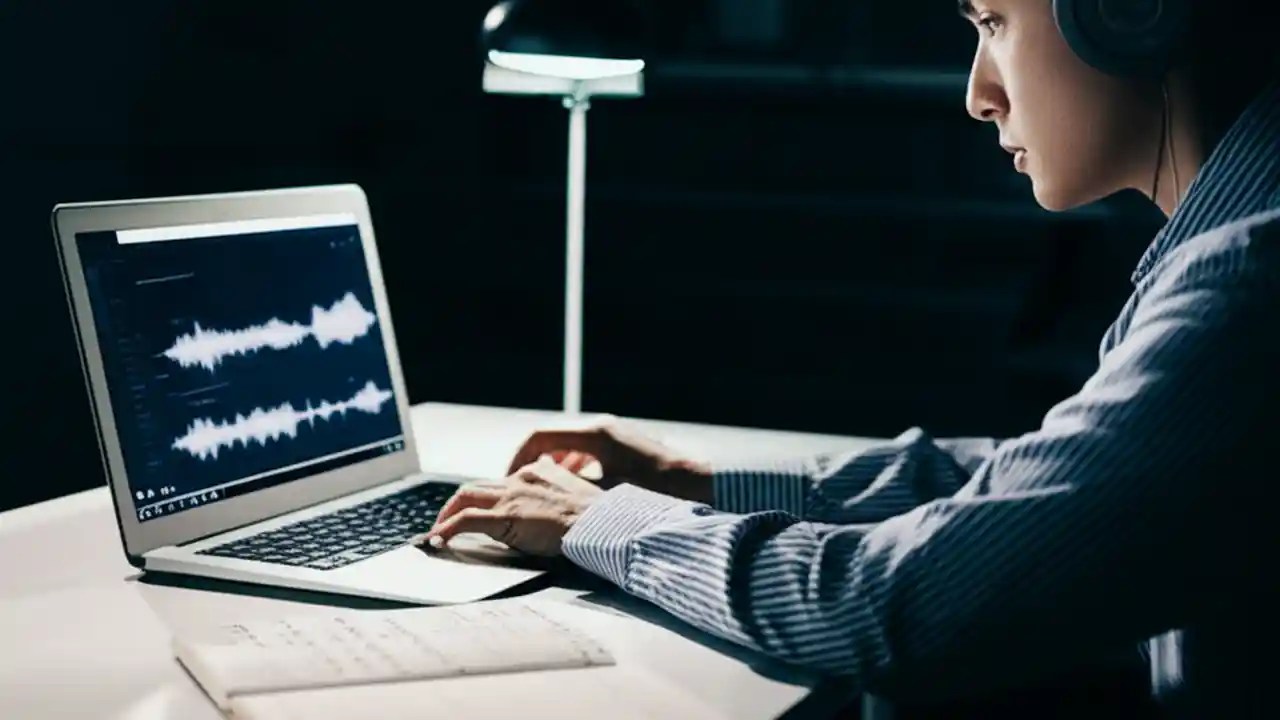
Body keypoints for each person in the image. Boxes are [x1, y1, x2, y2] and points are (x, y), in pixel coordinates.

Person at [419, 0, 1279, 715]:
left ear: (1130, 12)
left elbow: (894, 602)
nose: (979, 94)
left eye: (993, 23)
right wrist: (699, 482)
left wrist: (597, 523)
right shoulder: (1228, 252)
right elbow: (1027, 489)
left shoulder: (1250, 287)